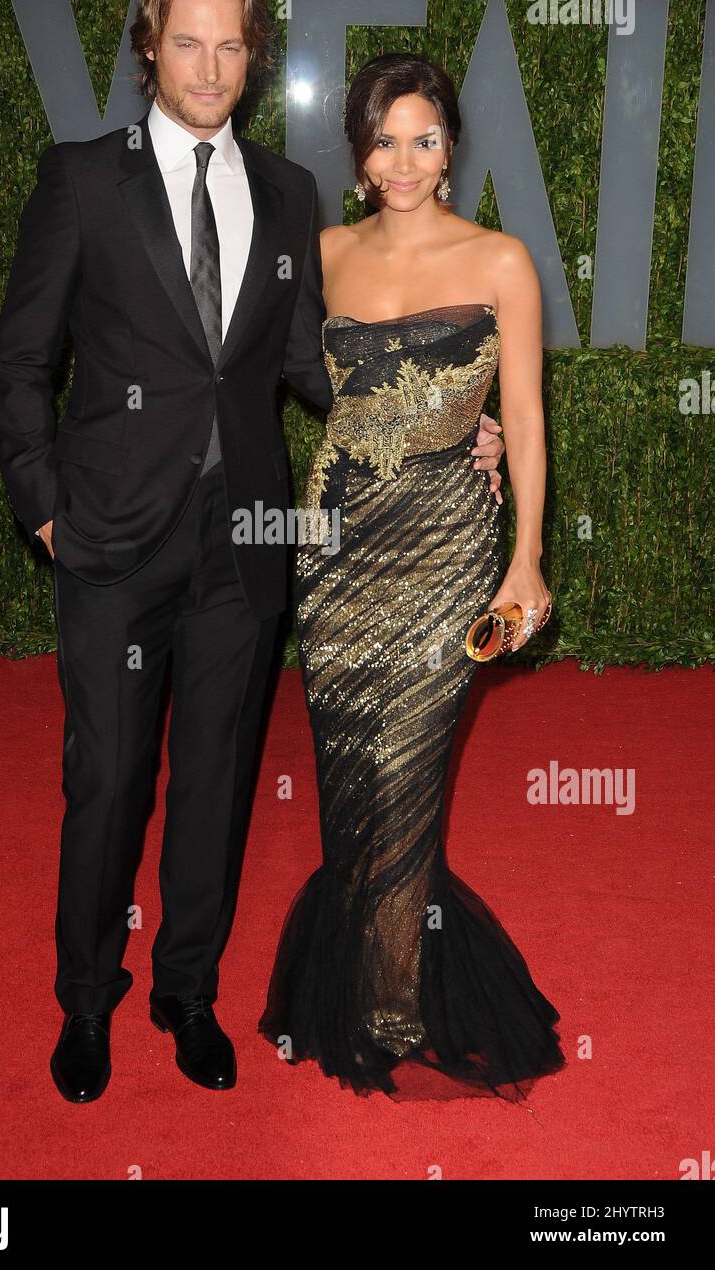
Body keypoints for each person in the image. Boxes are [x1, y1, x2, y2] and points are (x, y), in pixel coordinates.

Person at [0, 0, 506, 1103]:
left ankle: (186, 990)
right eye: (188, 43)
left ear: (252, 57)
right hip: (111, 540)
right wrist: (46, 512)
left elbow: (308, 367)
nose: (210, 67)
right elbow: (19, 364)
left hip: (247, 544)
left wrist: (444, 418)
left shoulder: (285, 192)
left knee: (218, 779)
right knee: (111, 778)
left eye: (231, 45)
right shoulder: (80, 180)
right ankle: (85, 999)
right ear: (150, 51)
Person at [259, 53, 565, 1101]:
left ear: (452, 149)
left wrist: (525, 557)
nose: (404, 159)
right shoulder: (325, 250)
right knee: (349, 780)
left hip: (446, 550)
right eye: (385, 138)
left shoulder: (502, 261)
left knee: (409, 772)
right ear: (358, 151)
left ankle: (392, 1005)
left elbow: (523, 416)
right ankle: (362, 978)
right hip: (336, 545)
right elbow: (283, 372)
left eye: (425, 138)